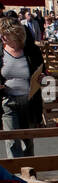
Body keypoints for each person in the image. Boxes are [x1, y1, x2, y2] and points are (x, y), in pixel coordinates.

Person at [1, 21, 42, 158]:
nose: (3, 38)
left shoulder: (31, 51)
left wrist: (41, 78)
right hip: (8, 101)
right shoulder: (1, 51)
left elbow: (42, 71)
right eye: (2, 35)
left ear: (17, 35)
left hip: (28, 100)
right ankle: (16, 175)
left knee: (27, 140)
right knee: (11, 139)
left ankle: (29, 172)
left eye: (6, 35)